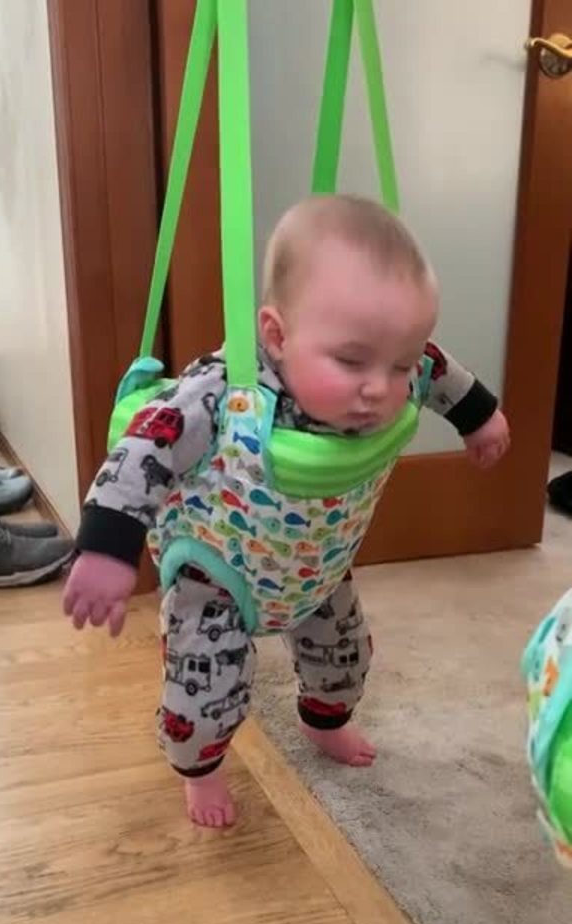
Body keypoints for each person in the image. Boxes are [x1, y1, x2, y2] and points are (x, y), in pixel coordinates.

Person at [63, 195, 510, 827]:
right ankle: (202, 770)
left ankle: (325, 723)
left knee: (346, 658)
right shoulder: (218, 394)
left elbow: (437, 368)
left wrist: (479, 416)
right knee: (206, 690)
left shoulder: (399, 362)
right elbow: (142, 448)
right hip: (218, 572)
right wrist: (108, 548)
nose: (381, 387)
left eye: (398, 363)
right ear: (276, 334)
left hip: (316, 570)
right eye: (352, 361)